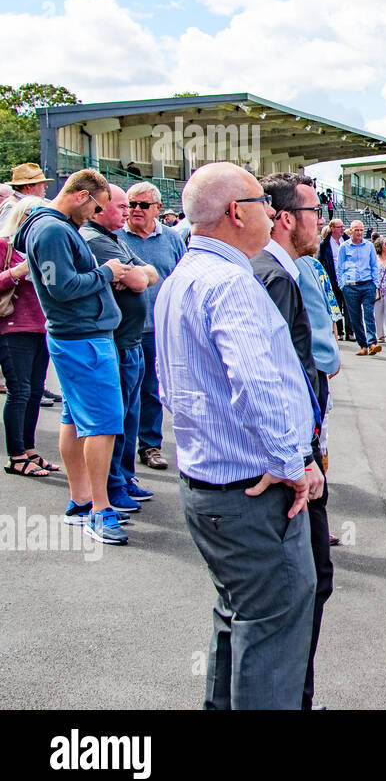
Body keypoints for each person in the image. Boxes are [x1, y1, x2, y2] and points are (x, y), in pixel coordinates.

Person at [153, 161, 316, 710]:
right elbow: (257, 380)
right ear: (235, 212)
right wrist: (291, 461)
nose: (273, 214)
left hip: (209, 485)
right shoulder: (228, 283)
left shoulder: (183, 280)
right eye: (262, 203)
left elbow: (171, 385)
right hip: (250, 492)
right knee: (271, 631)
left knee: (238, 620)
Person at [252, 172, 335, 709]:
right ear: (285, 218)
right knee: (303, 586)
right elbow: (278, 376)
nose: (320, 222)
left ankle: (295, 698)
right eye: (311, 212)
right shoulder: (273, 276)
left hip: (293, 448)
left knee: (302, 586)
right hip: (285, 461)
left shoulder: (281, 269)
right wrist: (302, 456)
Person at [15, 169, 131, 545]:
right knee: (102, 424)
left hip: (78, 336)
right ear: (82, 196)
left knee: (75, 419)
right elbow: (63, 288)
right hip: (82, 337)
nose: (95, 215)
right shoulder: (52, 230)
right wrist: (106, 272)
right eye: (97, 206)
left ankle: (82, 502)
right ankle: (100, 509)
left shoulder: (52, 227)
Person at [80, 185, 159, 516]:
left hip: (132, 341)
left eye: (135, 205)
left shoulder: (115, 239)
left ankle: (124, 478)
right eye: (123, 205)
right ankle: (113, 485)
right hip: (115, 342)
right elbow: (141, 281)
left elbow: (150, 273)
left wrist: (134, 274)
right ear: (100, 207)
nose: (129, 211)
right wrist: (136, 276)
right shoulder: (95, 239)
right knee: (115, 419)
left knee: (130, 415)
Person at [119, 181, 187, 473]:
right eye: (131, 204)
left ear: (157, 209)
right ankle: (121, 448)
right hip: (124, 328)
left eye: (143, 205)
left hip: (158, 328)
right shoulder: (116, 237)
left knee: (151, 390)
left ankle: (150, 445)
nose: (135, 210)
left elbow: (182, 278)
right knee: (124, 391)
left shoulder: (171, 239)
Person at [0, 195, 58, 477]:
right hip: (14, 328)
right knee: (20, 391)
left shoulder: (43, 248)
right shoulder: (5, 246)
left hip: (41, 328)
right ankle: (16, 455)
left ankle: (30, 450)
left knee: (34, 392)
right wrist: (16, 272)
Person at [338, 220, 383, 355]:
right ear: (350, 231)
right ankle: (363, 345)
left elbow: (374, 265)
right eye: (356, 230)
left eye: (361, 230)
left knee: (369, 314)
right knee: (355, 316)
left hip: (367, 283)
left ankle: (372, 343)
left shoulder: (369, 246)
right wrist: (342, 285)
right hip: (350, 286)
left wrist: (375, 283)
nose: (359, 233)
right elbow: (339, 267)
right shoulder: (344, 247)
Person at [317, 219, 352, 341]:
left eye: (343, 226)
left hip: (347, 280)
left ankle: (350, 331)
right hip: (333, 280)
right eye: (339, 227)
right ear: (332, 228)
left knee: (349, 306)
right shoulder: (325, 244)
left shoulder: (348, 241)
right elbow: (320, 261)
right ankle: (340, 331)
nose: (342, 229)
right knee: (336, 306)